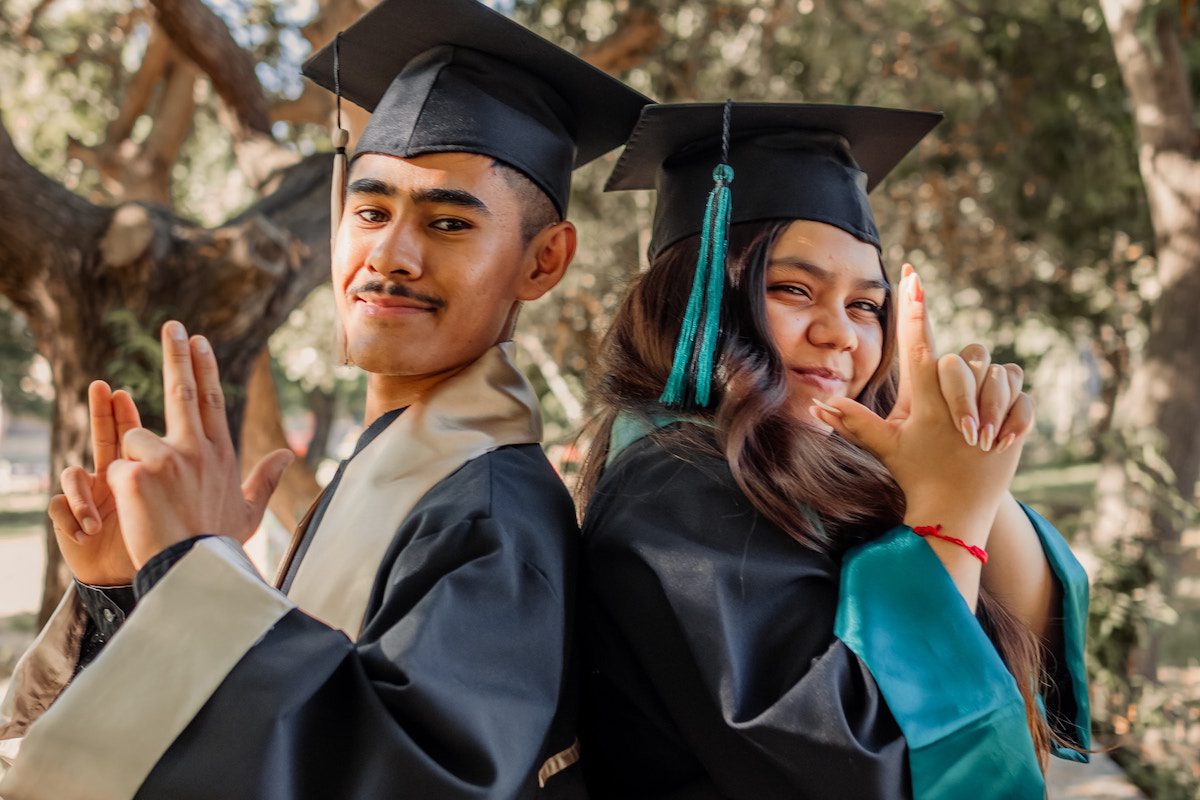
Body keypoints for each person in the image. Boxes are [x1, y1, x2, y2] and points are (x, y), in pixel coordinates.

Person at [0, 0, 648, 797]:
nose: (389, 255)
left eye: (449, 224)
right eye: (370, 211)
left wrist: (196, 572)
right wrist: (128, 590)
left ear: (543, 262)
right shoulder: (393, 466)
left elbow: (403, 776)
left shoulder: (488, 516)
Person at [575, 102, 1091, 799]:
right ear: (694, 301)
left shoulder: (811, 461)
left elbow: (1030, 654)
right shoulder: (673, 488)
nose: (840, 334)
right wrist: (950, 516)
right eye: (793, 289)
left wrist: (973, 457)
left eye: (864, 306)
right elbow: (864, 758)